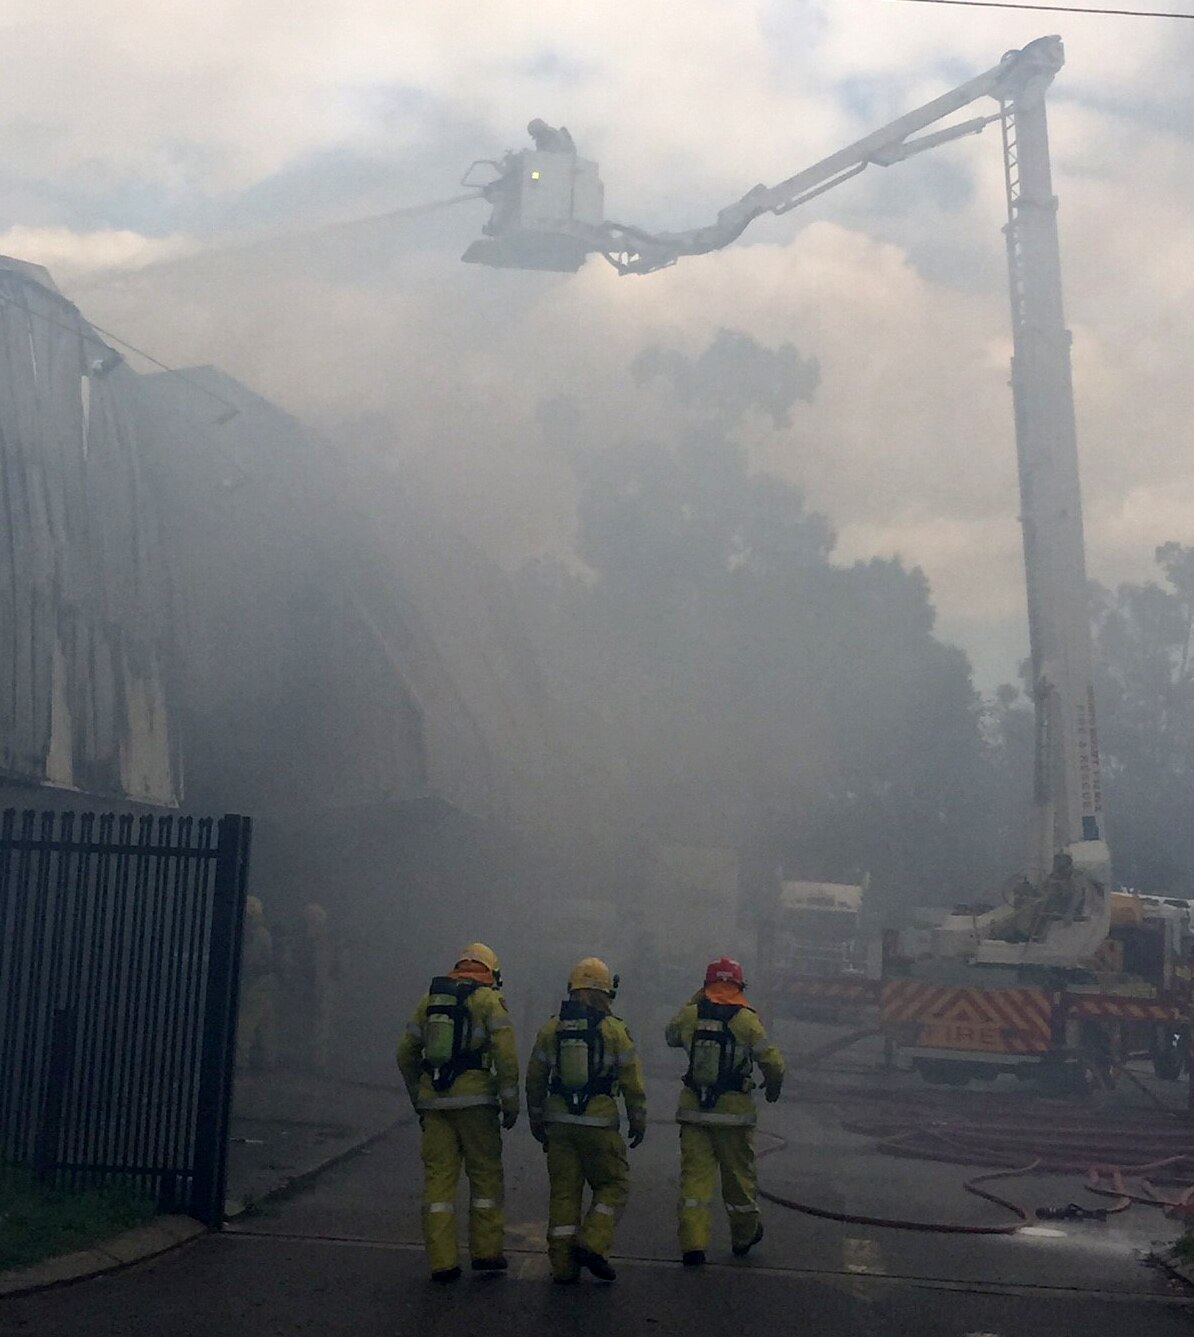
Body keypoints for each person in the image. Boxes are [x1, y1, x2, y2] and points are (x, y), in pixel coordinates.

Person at [397, 943, 520, 1283]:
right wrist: (510, 1103)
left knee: (438, 1181)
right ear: (492, 972)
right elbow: (506, 1057)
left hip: (434, 1105)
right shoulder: (489, 1001)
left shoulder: (430, 1000)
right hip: (477, 1104)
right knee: (485, 1176)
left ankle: (442, 1262)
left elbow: (405, 1053)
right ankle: (486, 1252)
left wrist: (419, 1097)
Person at [526, 957, 646, 1284]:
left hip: (559, 1125)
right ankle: (593, 1242)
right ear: (606, 992)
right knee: (613, 1185)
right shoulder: (615, 1031)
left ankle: (563, 1267)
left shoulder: (551, 1029)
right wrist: (638, 1120)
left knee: (564, 1194)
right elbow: (633, 1083)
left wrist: (537, 1119)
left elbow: (535, 1079)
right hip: (599, 1126)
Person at [665, 956, 784, 1266]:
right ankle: (744, 1235)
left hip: (694, 1113)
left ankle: (693, 1243)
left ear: (707, 984)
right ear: (739, 985)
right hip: (734, 1116)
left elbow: (670, 1036)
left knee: (694, 1181)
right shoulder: (747, 1021)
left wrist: (696, 999)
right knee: (739, 1180)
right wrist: (772, 1088)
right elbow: (773, 1063)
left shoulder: (691, 1015)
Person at [236, 896, 277, 1071]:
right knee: (266, 1025)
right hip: (263, 984)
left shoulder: (256, 934)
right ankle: (268, 1061)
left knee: (244, 1026)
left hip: (256, 985)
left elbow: (252, 961)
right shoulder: (262, 931)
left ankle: (240, 1063)